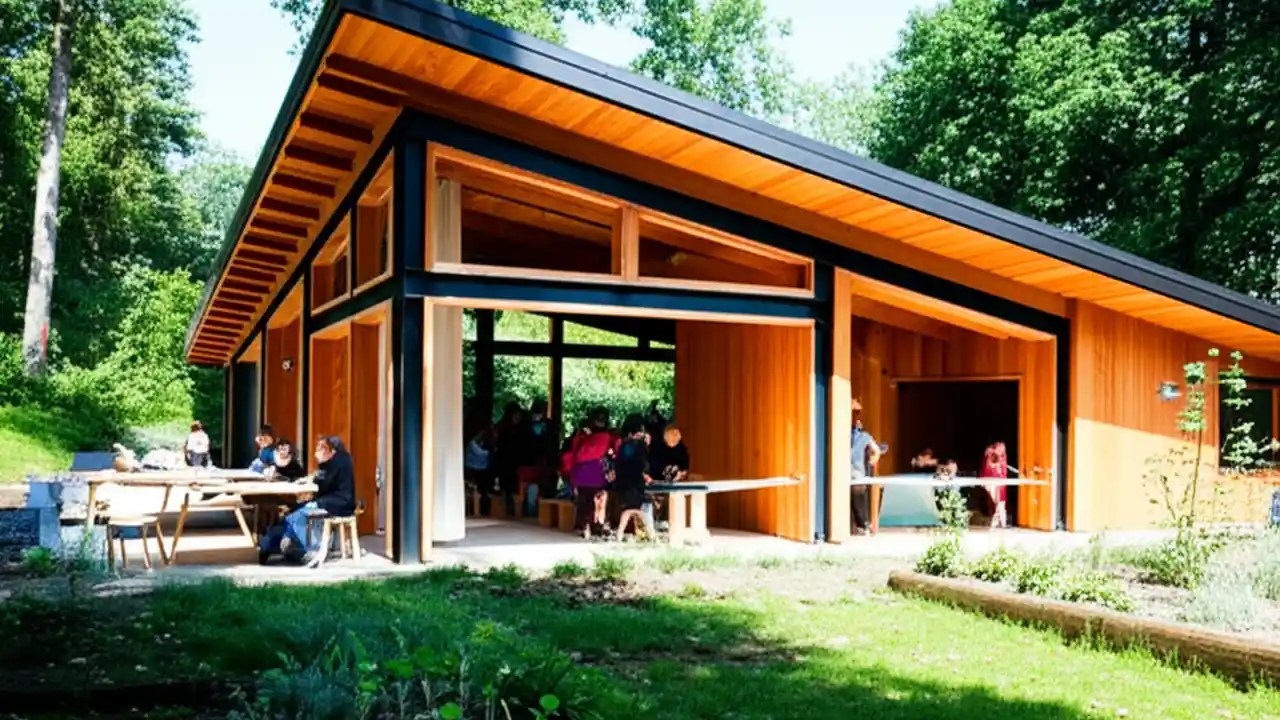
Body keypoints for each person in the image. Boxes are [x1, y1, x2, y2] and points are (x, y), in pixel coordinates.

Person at [259, 435, 355, 566]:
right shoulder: (342, 459)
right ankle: (281, 541)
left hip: (338, 502)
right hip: (335, 500)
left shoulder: (338, 461)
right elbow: (325, 480)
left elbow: (324, 483)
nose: (318, 451)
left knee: (300, 513)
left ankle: (277, 543)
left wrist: (321, 464)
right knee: (297, 510)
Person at [564, 407, 618, 538]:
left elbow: (574, 452)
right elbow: (614, 453)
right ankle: (598, 525)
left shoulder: (581, 435)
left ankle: (586, 527)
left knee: (585, 500)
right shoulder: (610, 436)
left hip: (583, 472)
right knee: (600, 500)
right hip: (598, 472)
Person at [613, 414, 652, 540]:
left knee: (628, 510)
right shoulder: (640, 446)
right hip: (636, 481)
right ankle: (651, 534)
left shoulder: (623, 446)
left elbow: (618, 463)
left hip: (623, 481)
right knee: (637, 509)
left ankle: (620, 534)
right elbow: (643, 464)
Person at [850, 399, 881, 534]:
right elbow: (877, 450)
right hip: (857, 473)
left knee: (856, 497)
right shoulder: (864, 436)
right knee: (859, 497)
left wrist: (874, 458)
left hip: (849, 472)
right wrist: (873, 459)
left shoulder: (861, 436)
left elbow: (876, 450)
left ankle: (861, 525)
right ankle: (862, 525)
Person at [493, 402, 525, 517]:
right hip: (506, 461)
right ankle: (507, 511)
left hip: (511, 461)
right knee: (507, 487)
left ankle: (510, 510)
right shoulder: (504, 428)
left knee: (510, 488)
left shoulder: (510, 427)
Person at [981, 441, 1010, 528]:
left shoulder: (1002, 456)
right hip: (992, 481)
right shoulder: (991, 454)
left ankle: (1000, 522)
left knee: (1001, 503)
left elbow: (1003, 470)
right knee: (998, 502)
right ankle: (999, 522)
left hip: (1000, 481)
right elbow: (990, 465)